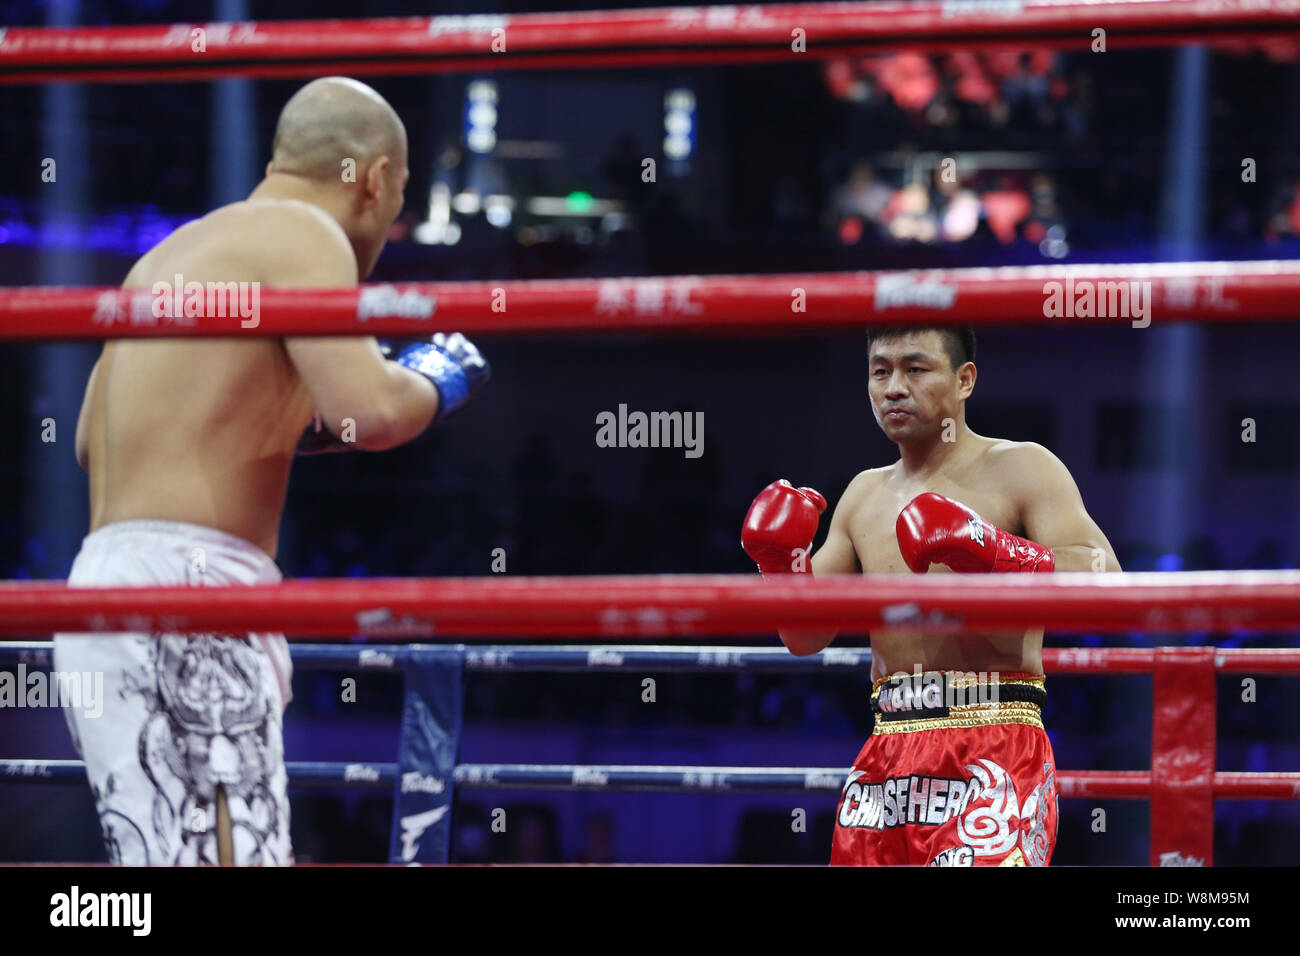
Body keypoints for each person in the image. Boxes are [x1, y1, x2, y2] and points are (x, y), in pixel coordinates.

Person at [53, 77, 489, 865]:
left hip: (104, 591)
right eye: (400, 195)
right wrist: (440, 374)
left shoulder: (161, 259)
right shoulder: (305, 235)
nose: (392, 220)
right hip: (192, 593)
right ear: (376, 176)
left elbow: (90, 438)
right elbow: (376, 412)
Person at [741, 325, 1119, 866]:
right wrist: (780, 564)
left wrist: (990, 549)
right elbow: (804, 635)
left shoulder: (1022, 468)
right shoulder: (862, 496)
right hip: (887, 756)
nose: (894, 387)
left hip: (993, 743)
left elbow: (1107, 578)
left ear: (965, 380)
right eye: (880, 370)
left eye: (915, 369)